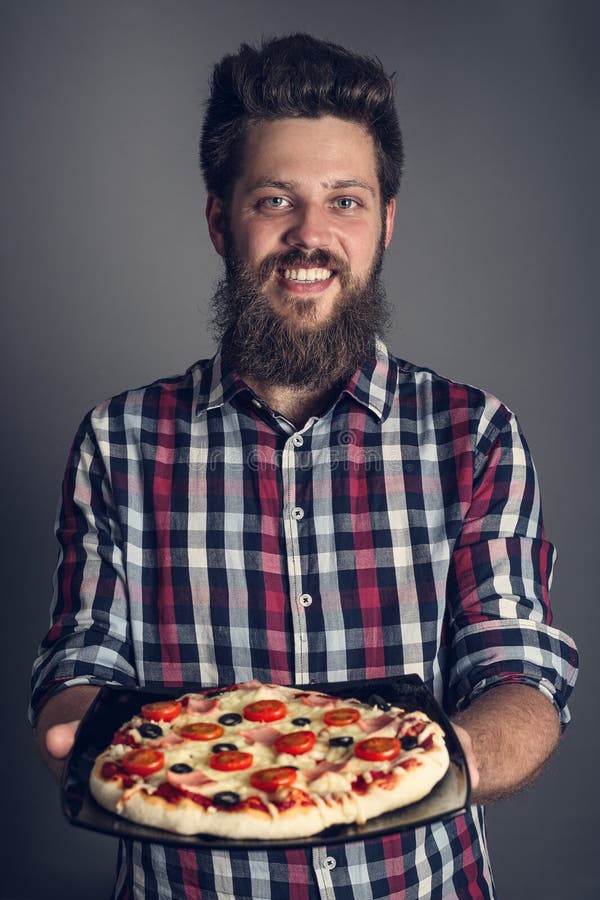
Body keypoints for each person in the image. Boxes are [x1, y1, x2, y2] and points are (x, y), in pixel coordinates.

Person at [31, 33, 578, 900]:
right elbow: (80, 665)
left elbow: (519, 674)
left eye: (347, 202)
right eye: (276, 198)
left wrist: (439, 759)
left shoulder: (475, 436)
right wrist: (92, 735)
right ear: (221, 219)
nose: (311, 235)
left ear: (387, 223)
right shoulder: (118, 439)